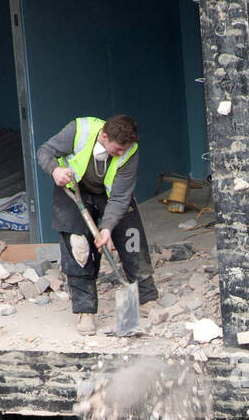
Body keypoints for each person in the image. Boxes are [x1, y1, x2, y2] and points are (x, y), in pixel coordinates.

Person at [35, 114, 158, 334]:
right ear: (104, 136)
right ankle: (85, 311)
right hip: (74, 190)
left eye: (124, 149)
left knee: (132, 237)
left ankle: (146, 297)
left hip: (110, 195)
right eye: (117, 148)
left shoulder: (130, 150)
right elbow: (44, 151)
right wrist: (56, 170)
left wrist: (107, 229)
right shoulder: (79, 130)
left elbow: (120, 197)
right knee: (78, 246)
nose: (122, 153)